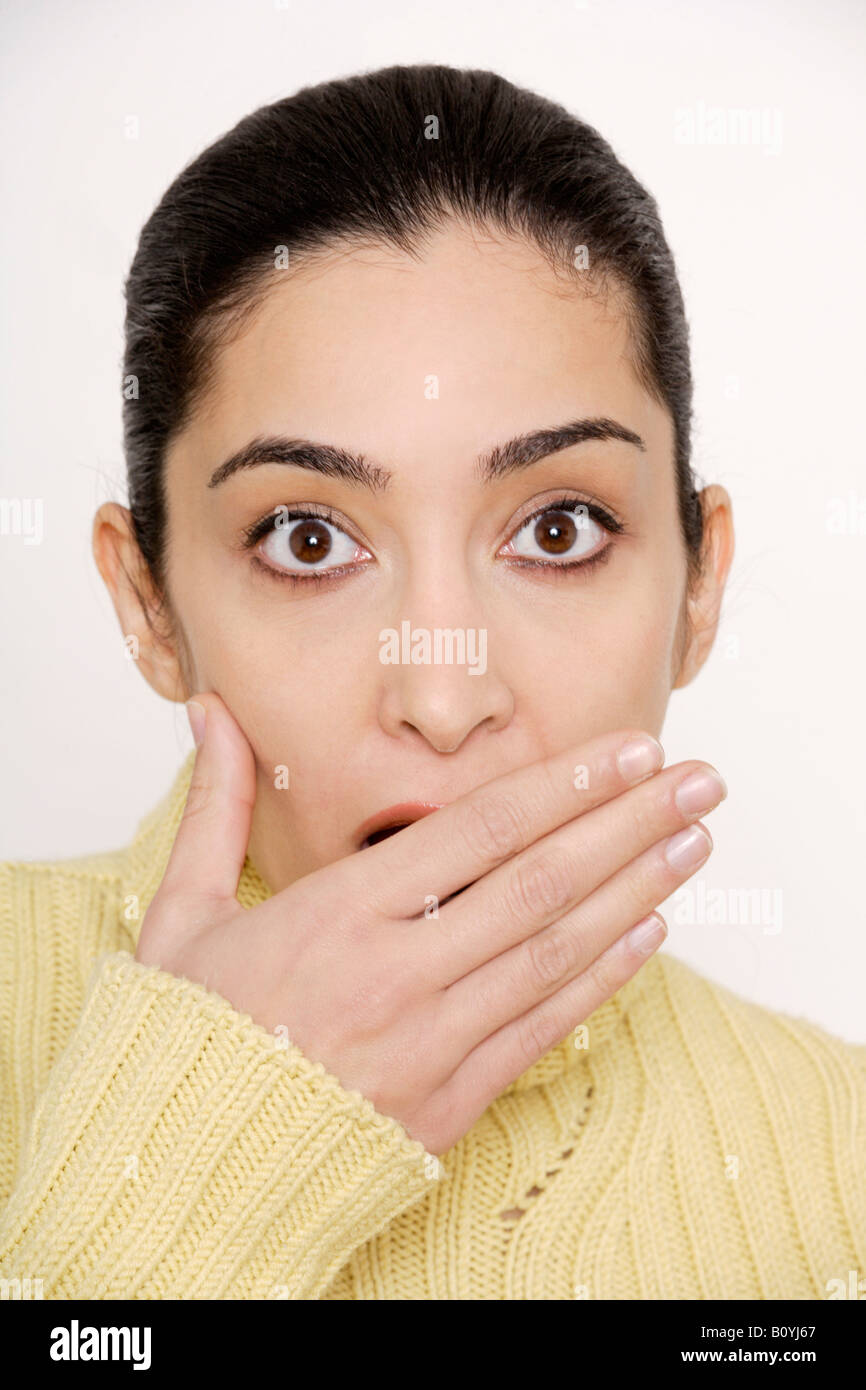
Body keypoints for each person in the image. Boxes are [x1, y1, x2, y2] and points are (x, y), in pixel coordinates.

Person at [1, 64, 863, 1301]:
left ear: (697, 587)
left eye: (558, 529)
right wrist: (204, 1156)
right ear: (149, 607)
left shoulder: (841, 1166)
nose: (444, 696)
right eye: (307, 539)